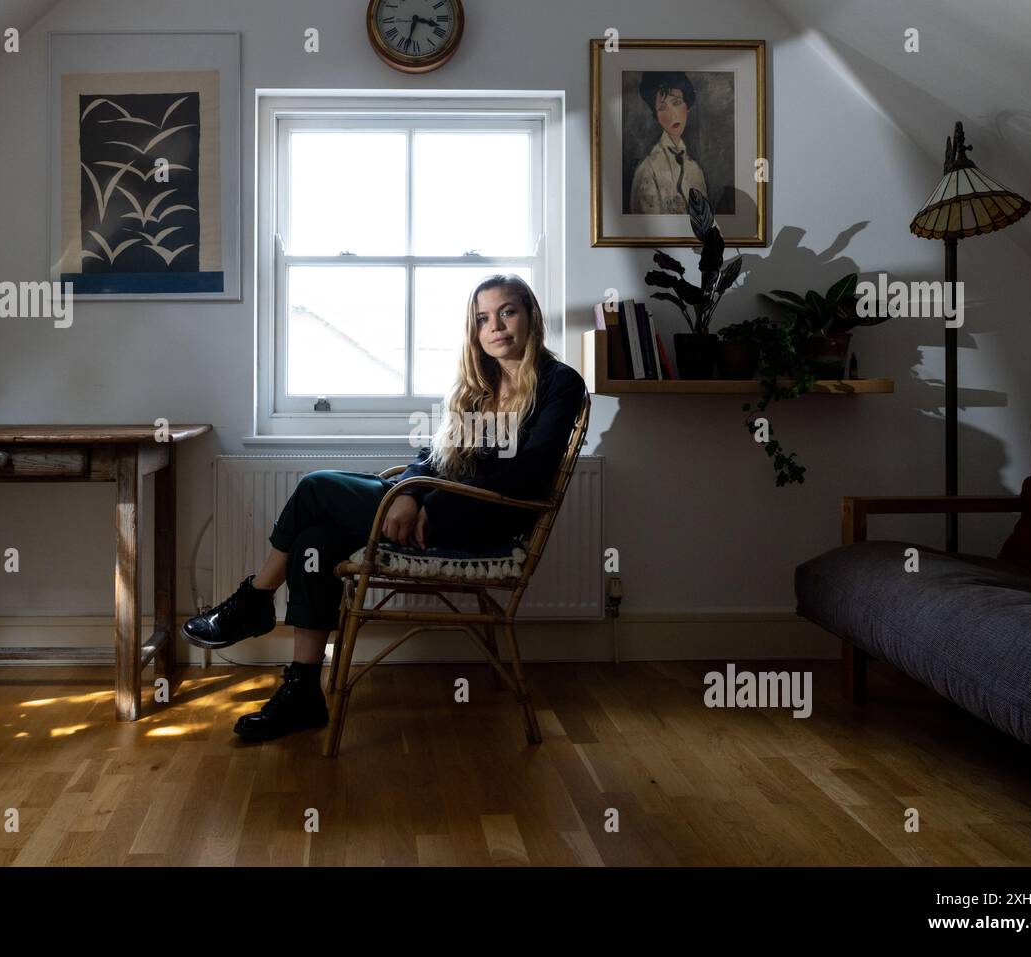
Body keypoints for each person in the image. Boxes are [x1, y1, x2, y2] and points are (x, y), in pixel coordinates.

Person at [181, 274, 587, 743]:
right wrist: (413, 494)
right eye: (482, 318)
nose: (495, 326)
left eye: (507, 311)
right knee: (315, 541)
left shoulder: (559, 383)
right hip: (440, 509)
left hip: (487, 521)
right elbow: (432, 459)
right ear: (473, 330)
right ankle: (304, 693)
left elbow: (530, 473)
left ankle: (254, 599)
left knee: (315, 487)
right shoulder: (479, 387)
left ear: (531, 316)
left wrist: (429, 500)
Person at [629, 71, 708, 215]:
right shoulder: (648, 170)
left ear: (687, 106)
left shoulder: (695, 170)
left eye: (677, 103)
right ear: (656, 116)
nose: (672, 115)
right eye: (662, 108)